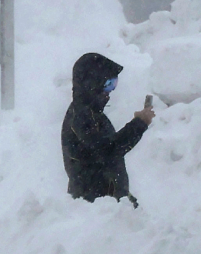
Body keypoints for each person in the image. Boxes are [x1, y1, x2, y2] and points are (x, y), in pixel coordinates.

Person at [61, 52, 154, 203]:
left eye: (114, 83)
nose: (111, 91)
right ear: (92, 84)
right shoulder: (81, 117)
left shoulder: (93, 115)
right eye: (108, 84)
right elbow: (107, 150)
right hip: (92, 210)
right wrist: (139, 124)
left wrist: (124, 196)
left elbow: (109, 157)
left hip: (103, 206)